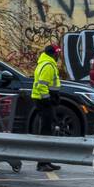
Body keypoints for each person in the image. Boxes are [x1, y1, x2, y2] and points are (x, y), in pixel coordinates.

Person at [31, 42, 63, 171]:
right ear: (53, 54)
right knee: (45, 132)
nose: (58, 55)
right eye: (57, 53)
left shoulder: (46, 63)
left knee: (47, 131)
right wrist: (48, 100)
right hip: (43, 102)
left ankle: (46, 161)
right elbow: (42, 85)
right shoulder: (48, 65)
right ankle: (42, 163)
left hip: (43, 101)